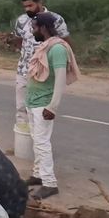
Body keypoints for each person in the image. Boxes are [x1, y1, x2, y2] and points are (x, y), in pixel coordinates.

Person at [25, 12, 80, 200]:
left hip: (44, 104)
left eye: (34, 28)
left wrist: (53, 107)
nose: (33, 31)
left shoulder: (57, 49)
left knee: (42, 143)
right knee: (36, 141)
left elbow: (60, 80)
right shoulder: (45, 47)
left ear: (43, 28)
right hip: (33, 102)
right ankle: (38, 175)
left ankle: (49, 183)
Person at [11, 0, 70, 130]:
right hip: (24, 70)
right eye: (25, 6)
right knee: (21, 107)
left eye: (30, 6)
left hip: (45, 73)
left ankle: (39, 140)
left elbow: (65, 42)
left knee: (39, 110)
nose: (27, 9)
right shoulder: (22, 20)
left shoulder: (55, 19)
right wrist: (26, 56)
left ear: (40, 2)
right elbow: (18, 40)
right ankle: (23, 141)